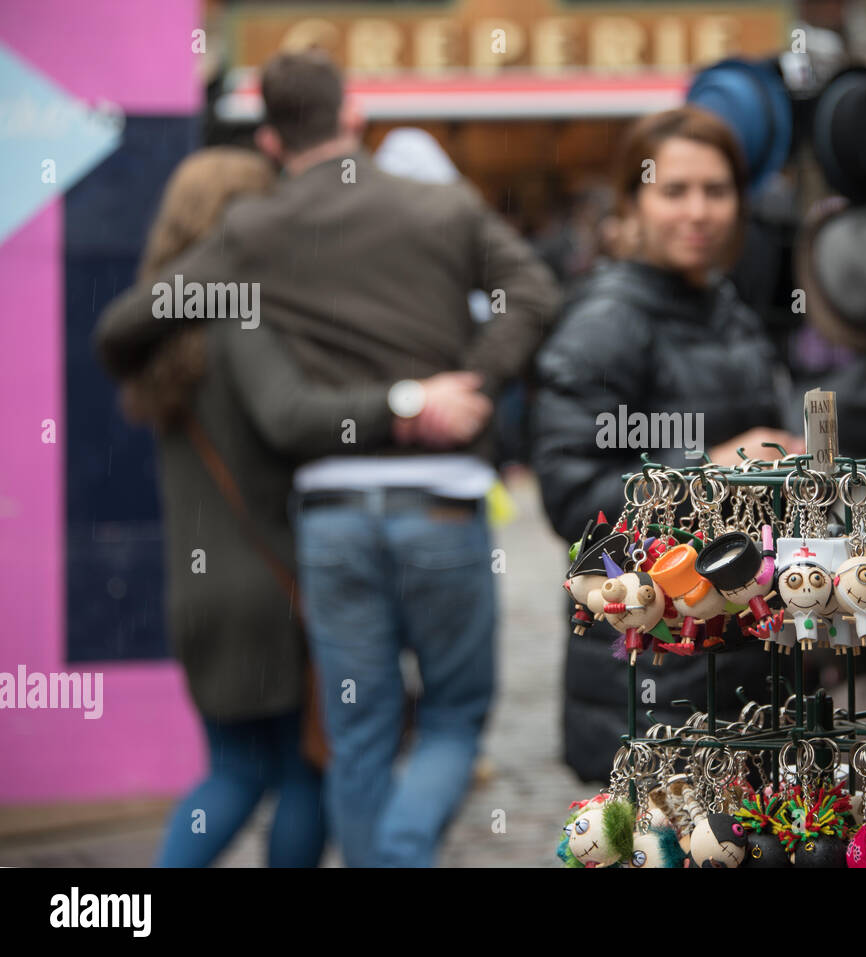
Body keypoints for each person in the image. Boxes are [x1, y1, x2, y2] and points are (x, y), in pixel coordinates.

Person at [94, 52, 562, 866]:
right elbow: (535, 292)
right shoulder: (439, 205)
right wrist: (471, 384)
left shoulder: (253, 233)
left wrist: (219, 303)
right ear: (355, 115)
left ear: (272, 140)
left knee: (356, 734)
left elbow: (125, 326)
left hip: (335, 516)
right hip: (442, 502)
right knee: (451, 717)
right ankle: (405, 848)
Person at [96, 147, 460, 866]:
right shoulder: (242, 321)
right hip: (272, 588)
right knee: (299, 770)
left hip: (199, 594)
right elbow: (291, 416)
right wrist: (402, 403)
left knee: (233, 765)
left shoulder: (163, 339)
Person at [531, 106, 803, 782]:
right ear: (632, 203)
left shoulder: (726, 308)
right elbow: (573, 499)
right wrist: (711, 470)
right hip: (650, 669)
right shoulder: (606, 322)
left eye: (716, 190)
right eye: (673, 190)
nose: (698, 210)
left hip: (742, 657)